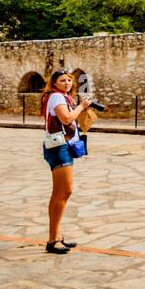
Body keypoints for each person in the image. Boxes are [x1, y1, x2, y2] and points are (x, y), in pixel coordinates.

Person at [41, 69, 92, 255]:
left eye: (69, 80)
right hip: (58, 148)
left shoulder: (62, 97)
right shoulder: (56, 97)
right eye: (62, 80)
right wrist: (81, 107)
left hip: (63, 146)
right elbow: (66, 118)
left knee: (61, 193)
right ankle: (53, 240)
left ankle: (57, 236)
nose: (67, 83)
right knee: (63, 192)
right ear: (54, 83)